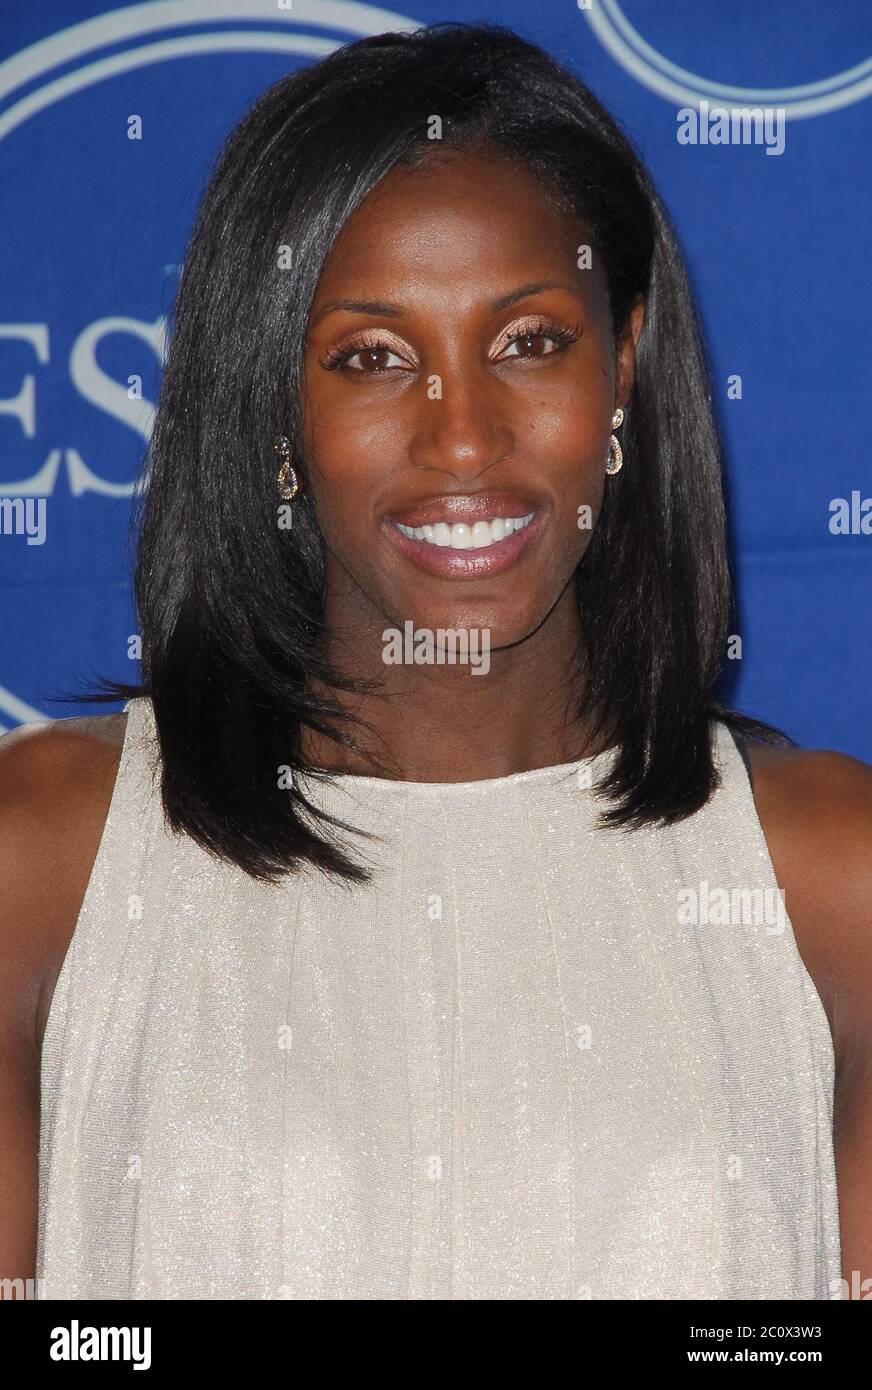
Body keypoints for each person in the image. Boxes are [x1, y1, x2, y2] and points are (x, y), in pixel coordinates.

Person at [1, 22, 870, 1301]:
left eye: (529, 341)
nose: (462, 438)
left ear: (623, 365)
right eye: (371, 357)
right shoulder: (45, 864)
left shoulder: (829, 880)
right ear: (270, 408)